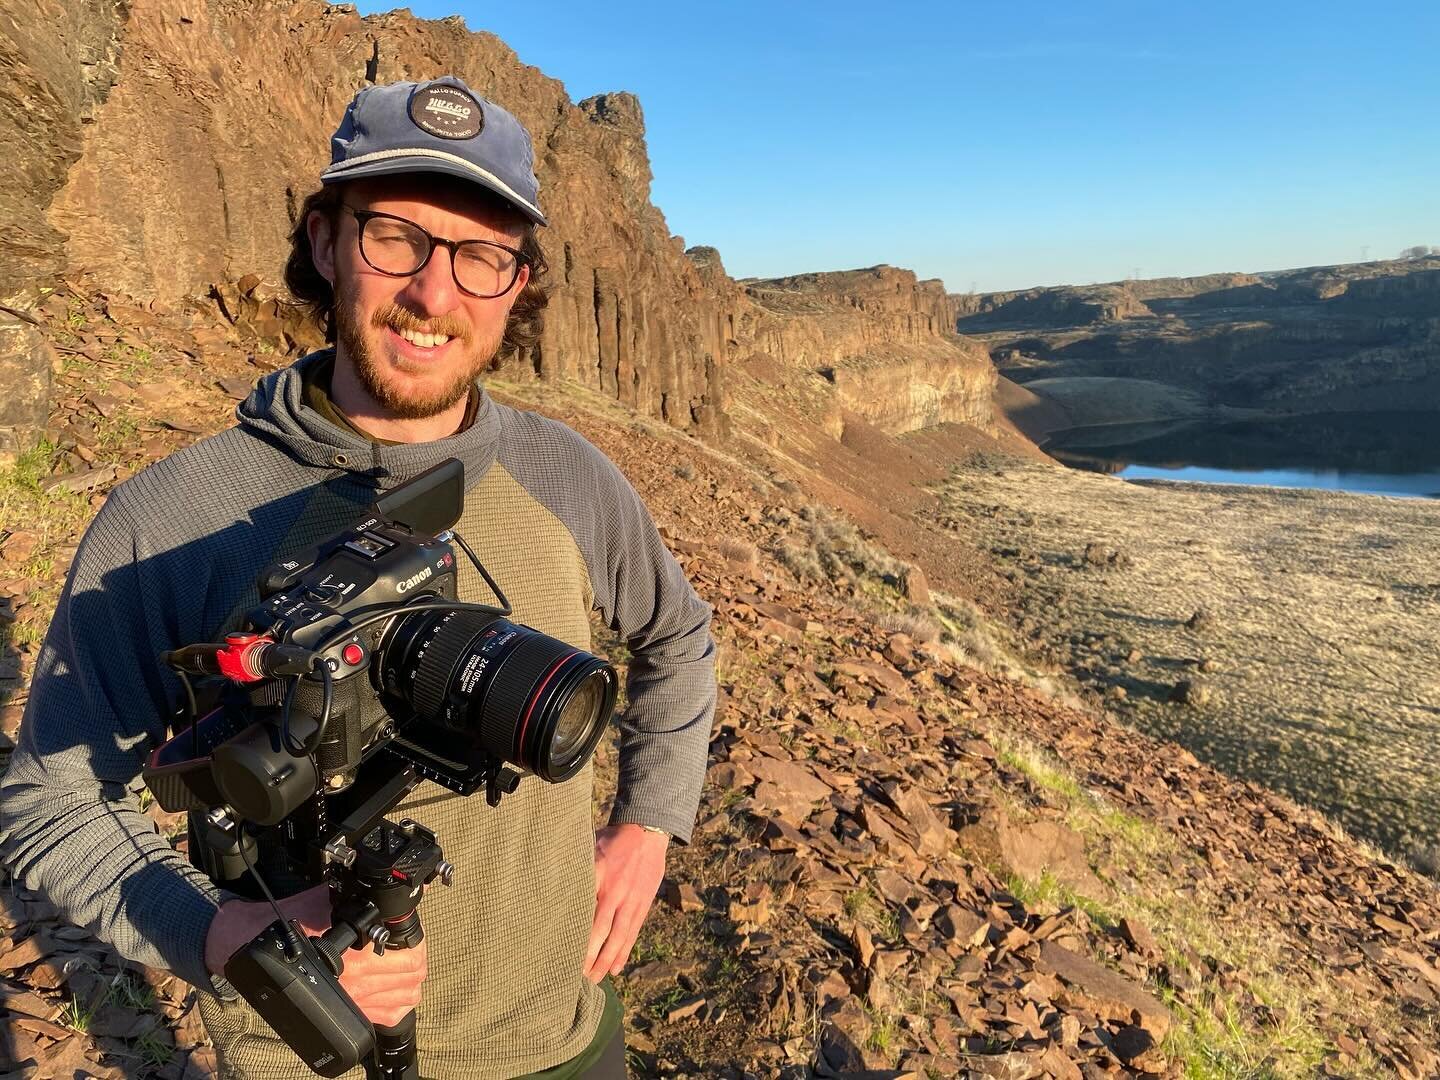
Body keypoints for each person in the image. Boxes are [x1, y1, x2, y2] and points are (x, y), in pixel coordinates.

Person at [0, 76, 716, 1079]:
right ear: (327, 241)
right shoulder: (176, 517)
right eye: (396, 238)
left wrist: (648, 824)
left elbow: (679, 636)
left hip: (558, 1033)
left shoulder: (565, 474)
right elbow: (51, 802)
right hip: (310, 1057)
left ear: (519, 286)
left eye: (481, 257)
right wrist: (224, 938)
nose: (433, 292)